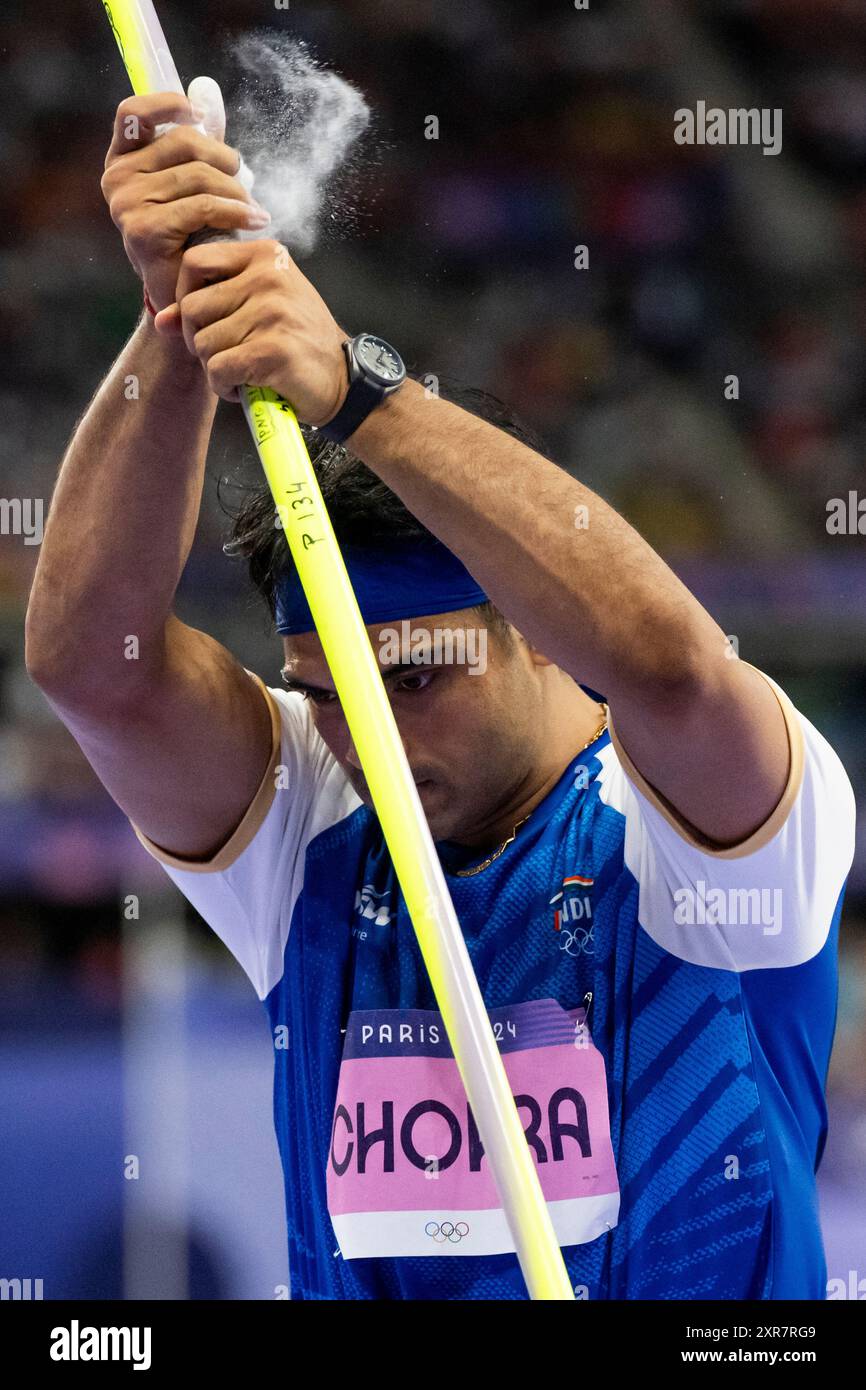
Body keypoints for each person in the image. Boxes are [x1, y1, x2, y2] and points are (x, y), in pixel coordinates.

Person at [26, 93, 856, 1300]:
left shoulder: (693, 830)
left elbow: (669, 664)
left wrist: (356, 394)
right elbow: (92, 668)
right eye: (329, 692)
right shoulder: (313, 829)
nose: (367, 736)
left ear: (538, 632)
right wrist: (178, 320)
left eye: (411, 677)